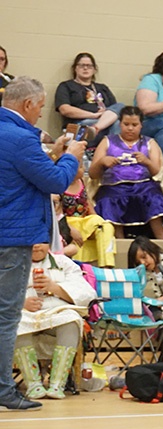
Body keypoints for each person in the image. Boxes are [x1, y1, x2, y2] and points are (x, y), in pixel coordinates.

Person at [1, 77, 85, 411]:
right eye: (39, 106)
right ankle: (4, 389)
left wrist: (52, 154)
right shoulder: (21, 138)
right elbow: (55, 181)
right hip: (11, 237)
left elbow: (20, 171)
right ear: (27, 104)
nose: (40, 113)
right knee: (7, 317)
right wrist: (71, 156)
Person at [14, 243, 96, 400]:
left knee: (71, 319)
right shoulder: (11, 262)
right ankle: (33, 385)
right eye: (33, 242)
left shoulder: (63, 263)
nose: (37, 246)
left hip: (57, 312)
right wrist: (20, 303)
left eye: (41, 242)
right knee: (16, 322)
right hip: (25, 313)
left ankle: (57, 384)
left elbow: (87, 294)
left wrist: (54, 287)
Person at [90, 107, 163, 239]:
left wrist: (146, 162)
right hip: (113, 186)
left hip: (144, 185)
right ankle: (119, 243)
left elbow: (157, 172)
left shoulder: (150, 143)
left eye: (134, 125)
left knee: (154, 198)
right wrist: (102, 162)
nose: (130, 128)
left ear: (141, 125)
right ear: (120, 124)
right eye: (126, 124)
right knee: (109, 200)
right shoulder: (107, 141)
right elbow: (92, 174)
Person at [54, 52, 124, 144]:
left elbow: (114, 111)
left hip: (103, 125)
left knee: (120, 109)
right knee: (114, 124)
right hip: (81, 124)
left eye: (89, 66)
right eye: (81, 65)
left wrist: (104, 115)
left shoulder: (102, 88)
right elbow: (65, 110)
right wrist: (93, 115)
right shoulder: (66, 86)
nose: (85, 68)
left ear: (94, 69)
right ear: (75, 68)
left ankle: (97, 130)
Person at [60, 159, 116, 267]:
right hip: (67, 223)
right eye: (81, 167)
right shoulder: (58, 186)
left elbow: (87, 203)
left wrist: (97, 220)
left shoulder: (81, 181)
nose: (84, 169)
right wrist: (69, 229)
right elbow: (56, 214)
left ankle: (106, 266)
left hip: (83, 221)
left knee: (105, 227)